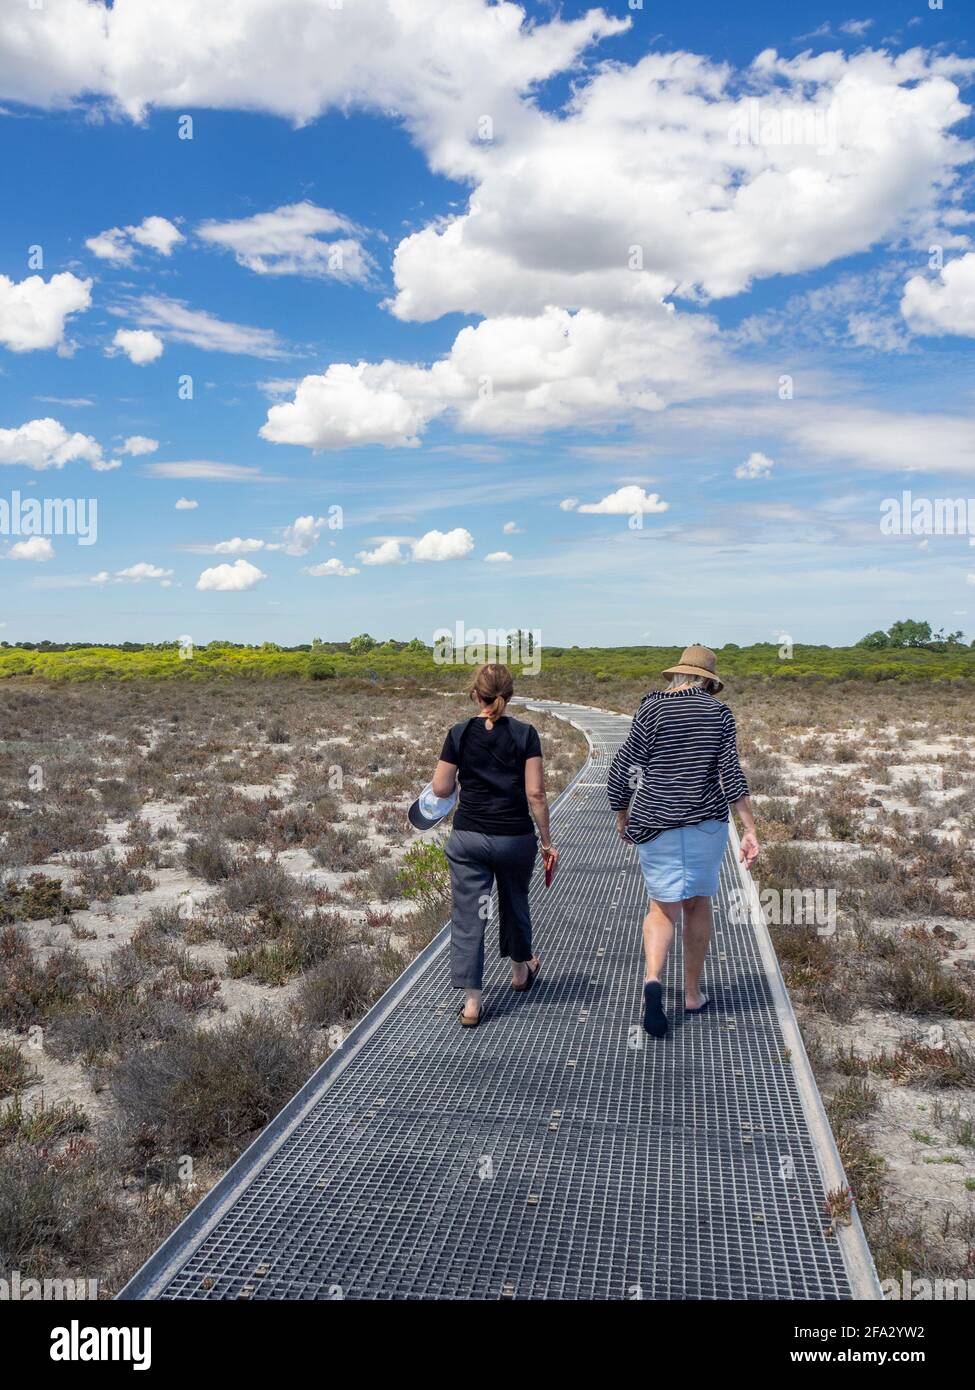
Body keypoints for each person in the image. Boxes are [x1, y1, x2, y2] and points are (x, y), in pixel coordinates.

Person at [607, 644, 759, 1039]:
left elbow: (627, 763)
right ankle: (692, 994)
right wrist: (749, 829)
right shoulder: (719, 713)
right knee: (697, 904)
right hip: (706, 824)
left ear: (677, 675)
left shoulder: (652, 708)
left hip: (655, 821)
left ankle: (653, 981)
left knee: (661, 908)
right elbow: (730, 772)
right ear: (709, 680)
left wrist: (622, 809)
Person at [431, 662, 557, 1027]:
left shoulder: (459, 733)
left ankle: (472, 1004)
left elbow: (440, 788)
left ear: (475, 693)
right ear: (510, 695)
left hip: (469, 837)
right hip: (515, 839)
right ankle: (520, 972)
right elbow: (536, 793)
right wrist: (547, 842)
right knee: (515, 902)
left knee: (470, 916)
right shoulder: (525, 734)